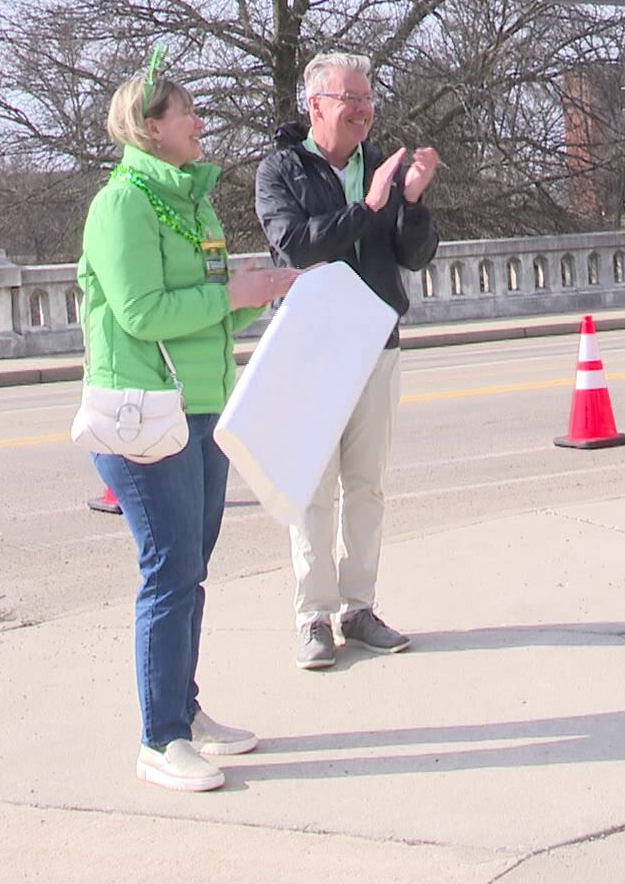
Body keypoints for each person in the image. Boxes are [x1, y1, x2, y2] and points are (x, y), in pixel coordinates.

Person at [79, 60, 299, 791]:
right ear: (150, 127)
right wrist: (229, 294)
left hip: (202, 405)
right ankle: (159, 738)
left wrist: (257, 294)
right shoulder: (122, 205)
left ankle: (186, 711)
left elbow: (207, 305)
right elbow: (141, 314)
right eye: (188, 112)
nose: (201, 122)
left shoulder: (192, 203)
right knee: (169, 572)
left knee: (191, 572)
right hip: (144, 414)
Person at [255, 52, 441, 670]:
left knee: (367, 487)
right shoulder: (281, 170)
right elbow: (297, 246)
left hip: (376, 345)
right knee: (312, 487)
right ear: (316, 106)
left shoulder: (382, 164)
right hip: (313, 348)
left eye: (368, 99)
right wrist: (368, 206)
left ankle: (359, 609)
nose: (363, 110)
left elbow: (412, 257)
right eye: (350, 99)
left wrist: (411, 204)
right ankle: (315, 618)